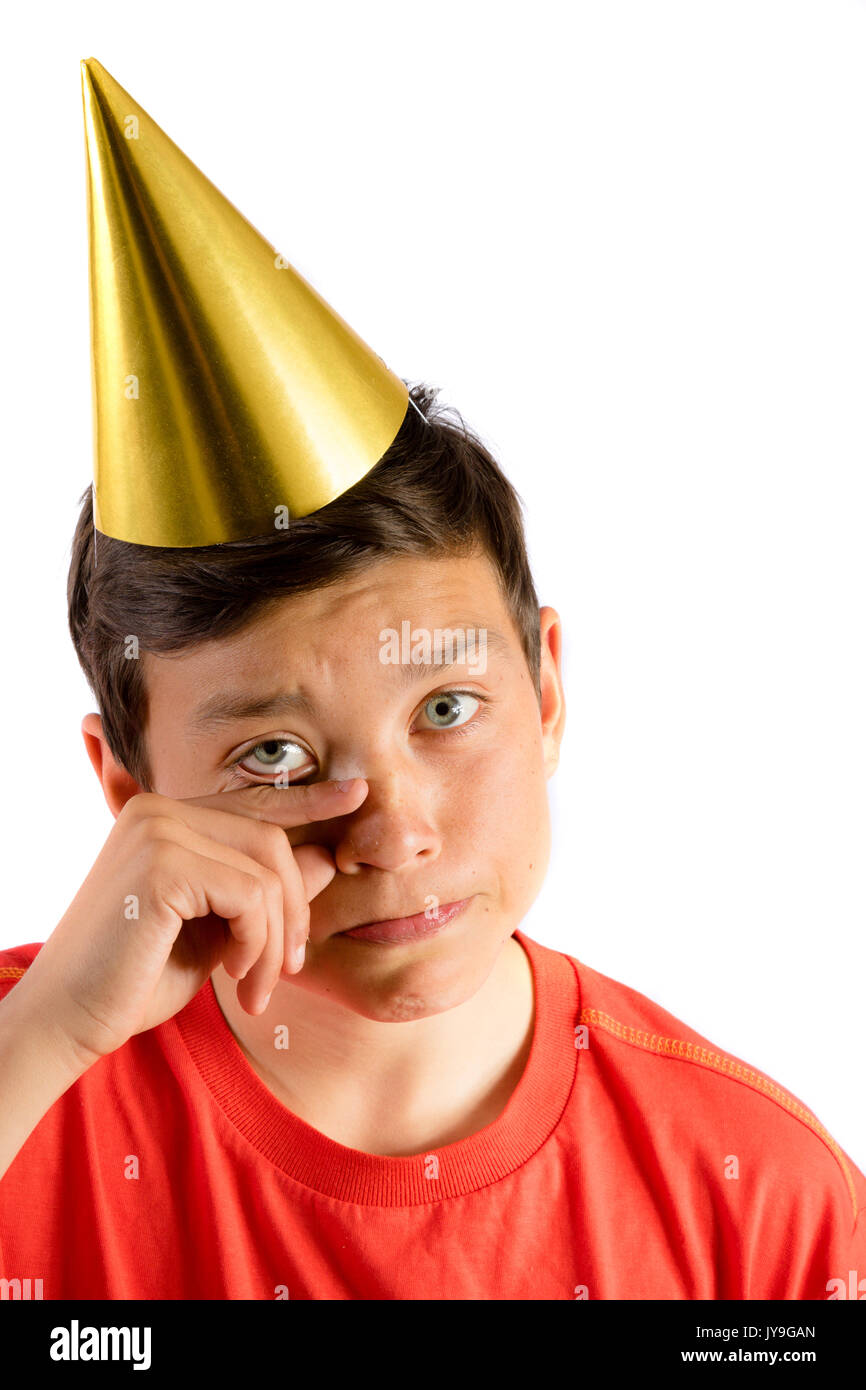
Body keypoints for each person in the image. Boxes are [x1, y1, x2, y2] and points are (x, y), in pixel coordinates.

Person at [0, 58, 863, 1302]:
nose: (393, 836)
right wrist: (47, 1040)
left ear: (547, 687)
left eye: (445, 710)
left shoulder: (756, 1198)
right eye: (276, 758)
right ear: (127, 789)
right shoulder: (21, 1071)